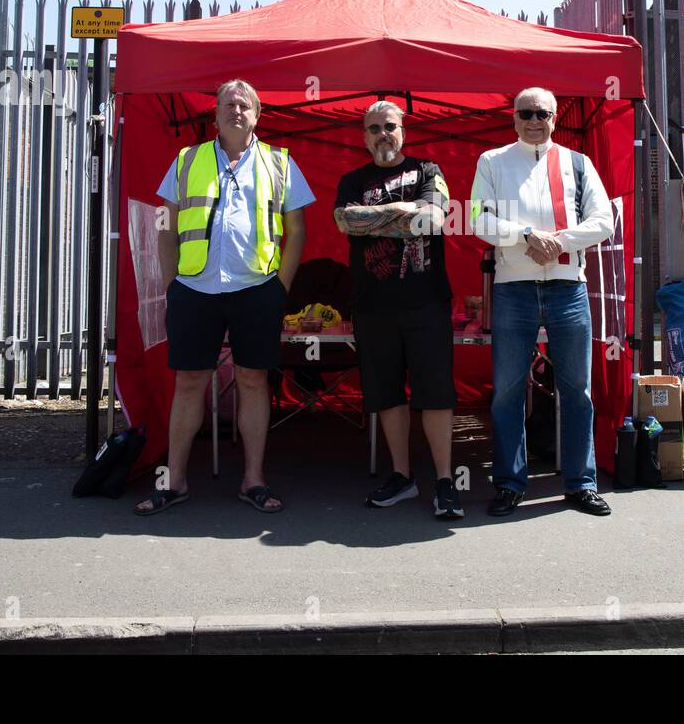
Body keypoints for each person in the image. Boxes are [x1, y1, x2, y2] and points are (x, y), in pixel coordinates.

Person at [134, 79, 314, 516]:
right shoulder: (187, 160)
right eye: (228, 104)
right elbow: (165, 226)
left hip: (256, 290)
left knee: (253, 381)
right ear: (214, 114)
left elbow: (297, 231)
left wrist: (280, 288)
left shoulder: (280, 162)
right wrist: (173, 281)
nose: (236, 110)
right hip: (194, 289)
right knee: (190, 381)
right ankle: (174, 481)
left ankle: (253, 479)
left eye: (244, 105)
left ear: (257, 115)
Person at [469, 87, 615, 517]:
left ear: (554, 118)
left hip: (567, 287)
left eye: (543, 113)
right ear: (513, 117)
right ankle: (511, 484)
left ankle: (580, 483)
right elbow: (478, 218)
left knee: (577, 390)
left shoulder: (578, 162)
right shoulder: (492, 161)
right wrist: (527, 236)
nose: (534, 120)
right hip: (514, 288)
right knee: (507, 391)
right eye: (526, 113)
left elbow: (603, 221)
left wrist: (558, 243)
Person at [333, 101, 463, 520]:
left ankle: (444, 482)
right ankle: (402, 477)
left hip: (426, 301)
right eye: (374, 128)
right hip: (373, 305)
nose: (382, 134)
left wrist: (375, 218)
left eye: (390, 126)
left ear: (403, 130)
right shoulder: (351, 180)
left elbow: (434, 219)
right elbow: (344, 221)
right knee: (387, 392)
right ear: (363, 136)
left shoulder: (429, 170)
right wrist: (405, 213)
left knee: (436, 392)